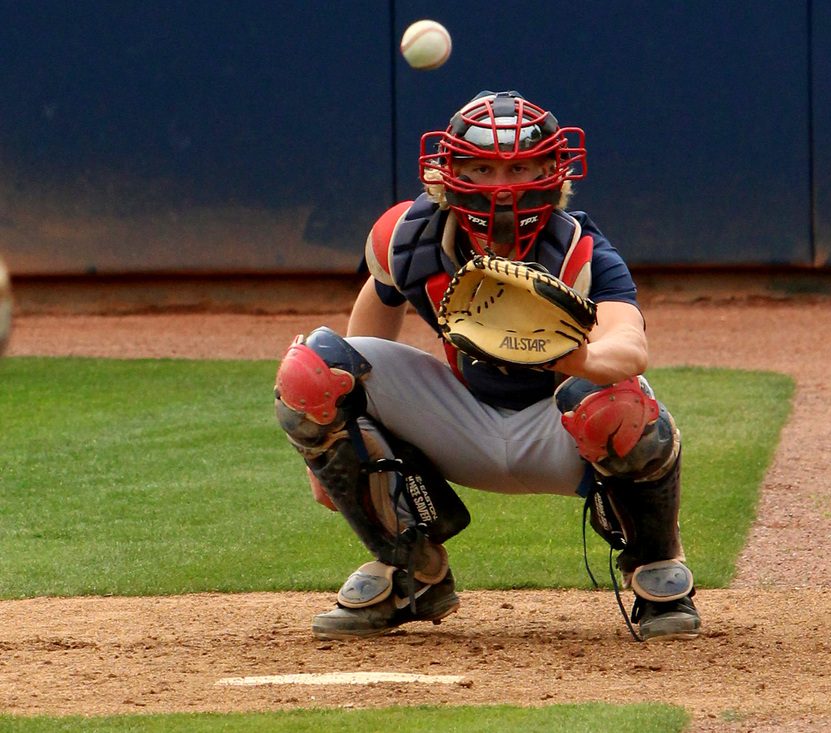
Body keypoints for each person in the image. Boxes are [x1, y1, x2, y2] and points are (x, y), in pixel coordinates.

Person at [274, 90, 701, 642]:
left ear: (554, 171)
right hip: (462, 418)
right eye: (482, 167)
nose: (502, 186)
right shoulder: (405, 235)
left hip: (557, 429)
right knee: (313, 370)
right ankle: (412, 568)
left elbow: (630, 349)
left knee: (618, 403)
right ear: (447, 173)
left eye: (521, 166)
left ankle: (656, 569)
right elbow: (375, 312)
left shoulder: (581, 251)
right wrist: (340, 440)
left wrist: (581, 359)